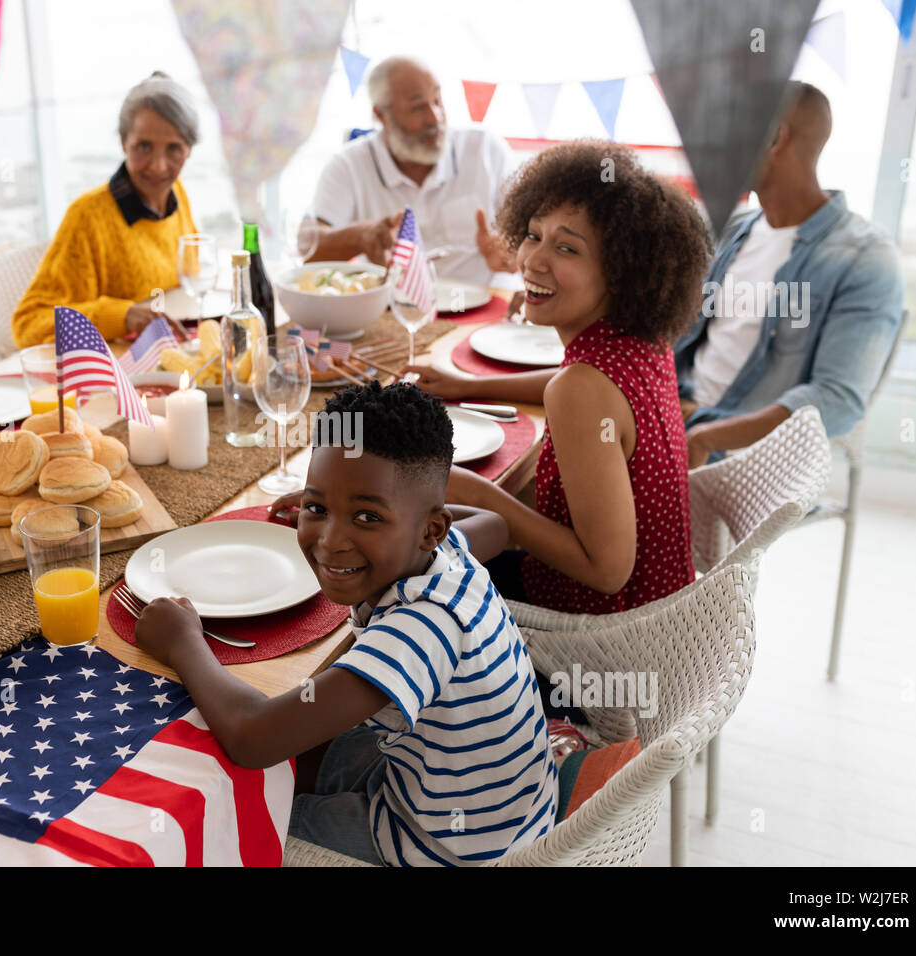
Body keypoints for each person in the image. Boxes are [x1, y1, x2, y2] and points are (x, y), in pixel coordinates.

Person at [133, 382, 557, 866]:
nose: (331, 541)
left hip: (444, 847)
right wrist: (364, 507)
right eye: (318, 510)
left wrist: (185, 640)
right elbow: (495, 525)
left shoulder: (420, 632)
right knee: (300, 752)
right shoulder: (448, 552)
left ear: (430, 530)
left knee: (231, 815)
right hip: (509, 807)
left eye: (366, 517)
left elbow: (253, 737)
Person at [402, 141, 713, 614]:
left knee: (398, 572)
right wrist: (471, 386)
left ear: (620, 274)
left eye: (567, 247)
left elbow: (606, 573)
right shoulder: (639, 343)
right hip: (660, 618)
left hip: (597, 643)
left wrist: (482, 493)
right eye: (532, 234)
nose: (532, 260)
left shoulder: (581, 391)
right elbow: (579, 386)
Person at [675, 82, 905, 467]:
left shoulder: (866, 256)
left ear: (775, 139)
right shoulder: (734, 230)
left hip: (744, 453)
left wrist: (704, 435)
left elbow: (838, 400)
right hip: (679, 416)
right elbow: (682, 329)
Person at [11, 71, 198, 347]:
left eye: (174, 149)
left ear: (189, 150)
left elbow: (188, 281)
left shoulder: (176, 193)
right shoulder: (88, 216)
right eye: (144, 146)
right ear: (124, 143)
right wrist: (121, 316)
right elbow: (27, 324)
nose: (159, 166)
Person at [305, 56, 521, 290]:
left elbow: (536, 230)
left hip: (488, 303)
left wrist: (513, 247)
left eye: (437, 100)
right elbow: (307, 247)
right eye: (418, 107)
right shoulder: (348, 165)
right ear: (381, 116)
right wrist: (359, 237)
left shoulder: (485, 148)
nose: (435, 117)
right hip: (395, 313)